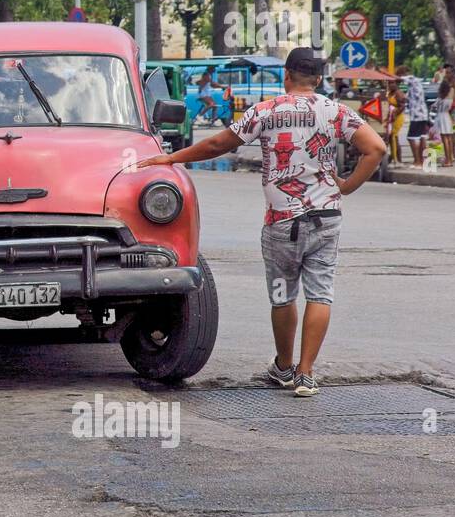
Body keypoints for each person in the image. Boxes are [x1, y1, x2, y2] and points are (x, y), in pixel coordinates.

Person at [136, 47, 387, 397]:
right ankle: (306, 374)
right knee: (320, 294)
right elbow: (376, 149)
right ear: (317, 79)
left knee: (283, 295)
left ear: (286, 76)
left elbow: (217, 145)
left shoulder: (266, 111)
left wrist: (171, 158)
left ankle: (283, 367)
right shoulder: (336, 111)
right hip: (326, 216)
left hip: (282, 218)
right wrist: (346, 186)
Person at [397, 66, 430, 169]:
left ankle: (417, 161)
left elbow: (399, 79)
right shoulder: (416, 84)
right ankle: (424, 161)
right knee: (422, 137)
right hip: (422, 114)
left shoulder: (412, 80)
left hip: (417, 115)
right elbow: (408, 98)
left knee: (411, 138)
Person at [433, 69, 455, 168]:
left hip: (441, 116)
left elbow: (435, 107)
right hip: (447, 116)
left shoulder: (440, 97)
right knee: (449, 138)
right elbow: (453, 102)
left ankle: (448, 160)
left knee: (445, 140)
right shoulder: (452, 93)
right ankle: (450, 158)